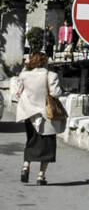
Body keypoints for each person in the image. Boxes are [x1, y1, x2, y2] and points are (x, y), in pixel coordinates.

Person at [15, 51, 65, 185]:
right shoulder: (51, 75)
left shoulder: (24, 75)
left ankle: (26, 166)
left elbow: (19, 89)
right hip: (46, 115)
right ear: (45, 62)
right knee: (47, 146)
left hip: (30, 114)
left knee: (31, 141)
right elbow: (55, 93)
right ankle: (40, 176)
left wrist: (26, 66)